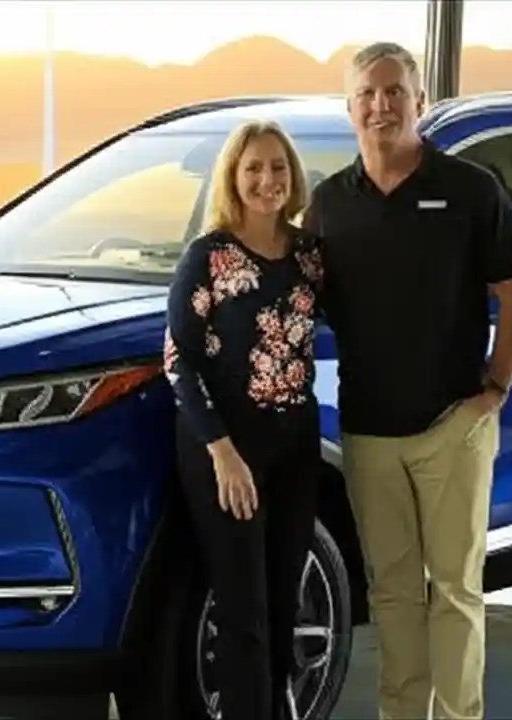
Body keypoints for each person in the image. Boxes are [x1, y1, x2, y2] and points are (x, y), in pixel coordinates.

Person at [303, 42, 512, 719]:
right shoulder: (328, 206)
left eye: (394, 91)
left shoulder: (468, 190)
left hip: (452, 426)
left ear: (419, 102)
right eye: (367, 94)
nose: (381, 105)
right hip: (367, 431)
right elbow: (290, 302)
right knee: (393, 594)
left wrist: (494, 391)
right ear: (350, 109)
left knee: (457, 589)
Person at [164, 119, 325, 720]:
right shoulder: (208, 257)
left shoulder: (310, 257)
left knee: (284, 602)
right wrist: (224, 454)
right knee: (244, 611)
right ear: (234, 176)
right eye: (254, 168)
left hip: (296, 444)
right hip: (224, 451)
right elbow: (179, 361)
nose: (267, 180)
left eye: (278, 167)